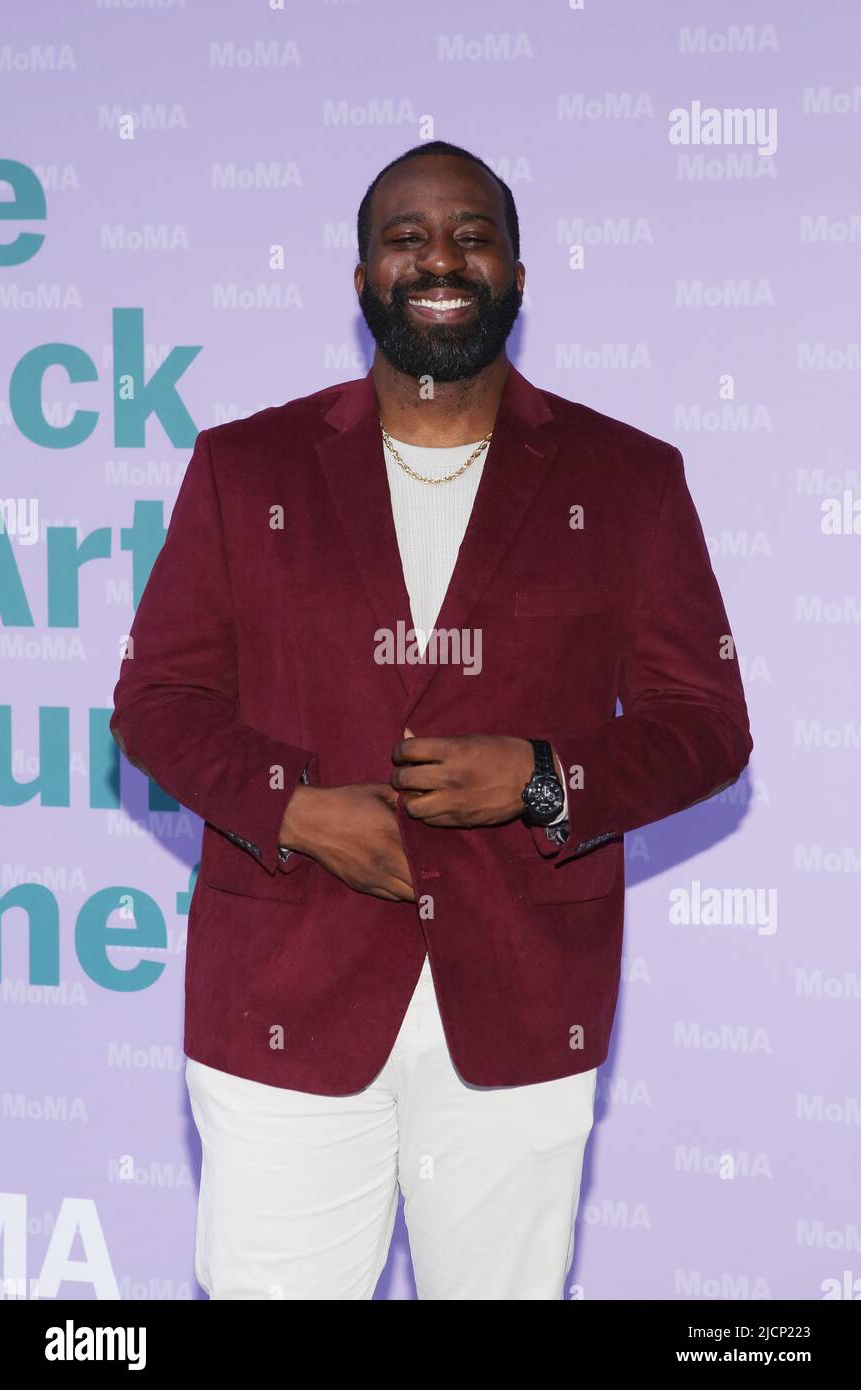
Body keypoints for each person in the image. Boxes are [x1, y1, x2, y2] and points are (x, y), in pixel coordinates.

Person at [109, 139, 753, 1300]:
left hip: (519, 1000)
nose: (438, 258)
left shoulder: (626, 479)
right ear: (361, 281)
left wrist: (549, 775)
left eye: (470, 234)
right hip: (283, 997)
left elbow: (705, 724)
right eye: (405, 237)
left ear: (516, 274)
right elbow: (156, 704)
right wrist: (293, 811)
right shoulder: (242, 466)